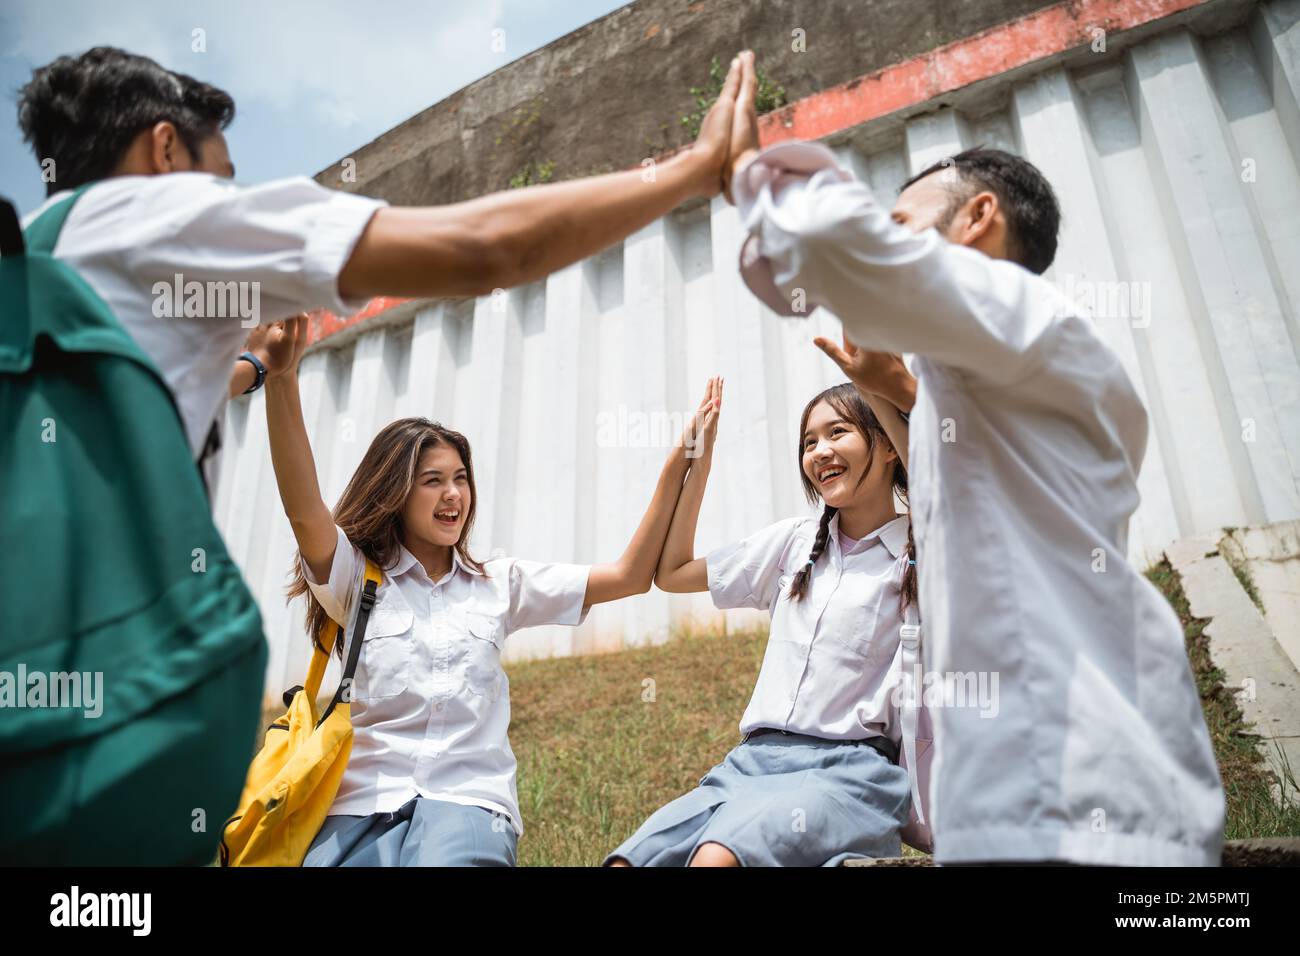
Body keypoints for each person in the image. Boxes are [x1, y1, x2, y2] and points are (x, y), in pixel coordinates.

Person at [722, 50, 1225, 866]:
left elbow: (831, 261)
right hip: (1025, 809)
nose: (893, 245)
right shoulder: (1001, 385)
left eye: (906, 225)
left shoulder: (1027, 311)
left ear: (977, 218)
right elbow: (974, 479)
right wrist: (891, 387)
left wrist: (746, 168)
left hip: (1084, 810)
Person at [16, 45, 748, 491]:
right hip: (120, 700)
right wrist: (693, 168)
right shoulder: (171, 216)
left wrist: (262, 369)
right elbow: (484, 250)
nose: (225, 196)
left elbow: (157, 396)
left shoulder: (34, 255)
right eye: (222, 175)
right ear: (166, 150)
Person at [265, 314, 720, 866]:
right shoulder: (357, 579)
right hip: (360, 806)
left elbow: (629, 575)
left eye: (460, 478)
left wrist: (677, 468)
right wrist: (283, 380)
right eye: (432, 481)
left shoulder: (499, 584)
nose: (453, 493)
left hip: (467, 804)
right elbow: (304, 508)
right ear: (396, 493)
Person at [605, 374, 922, 866]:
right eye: (808, 442)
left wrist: (885, 381)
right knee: (631, 861)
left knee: (716, 858)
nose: (819, 451)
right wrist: (698, 465)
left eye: (838, 433)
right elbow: (669, 572)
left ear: (886, 446)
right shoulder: (795, 542)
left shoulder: (920, 555)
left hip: (850, 772)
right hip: (750, 765)